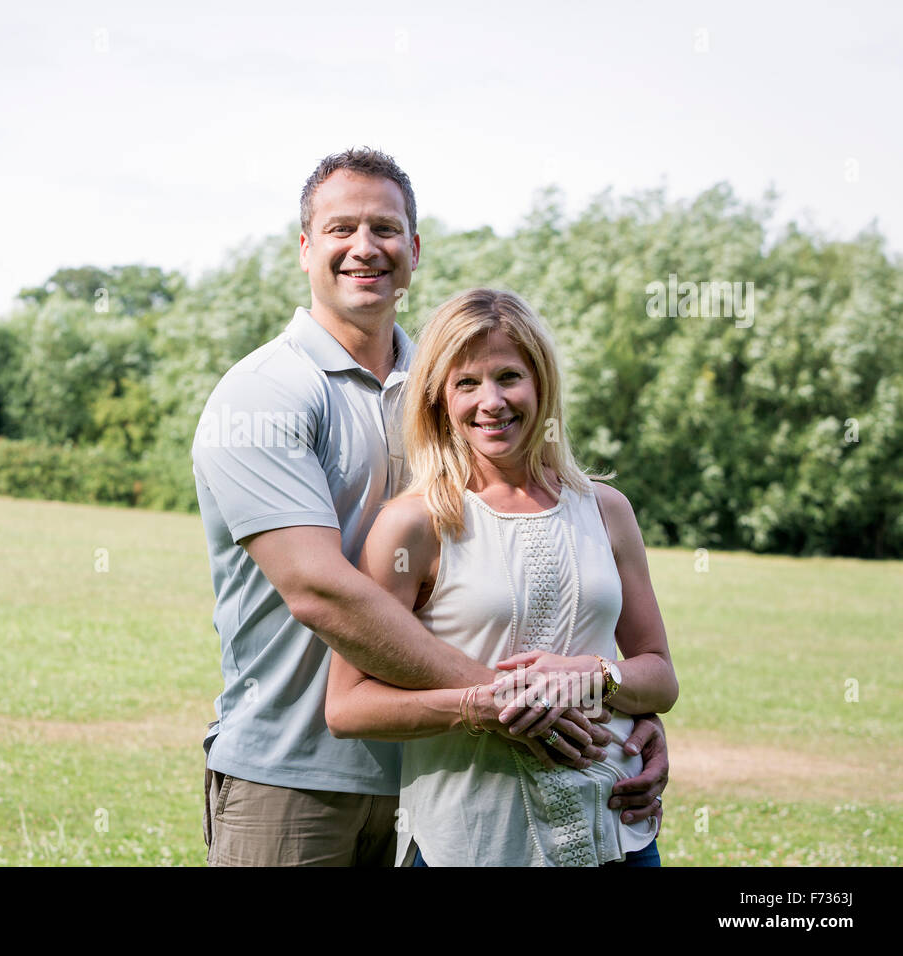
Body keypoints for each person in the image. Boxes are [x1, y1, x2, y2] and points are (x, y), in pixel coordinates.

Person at [191, 148, 669, 867]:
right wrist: (532, 705)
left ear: (413, 251)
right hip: (298, 774)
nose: (364, 247)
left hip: (437, 780)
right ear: (304, 248)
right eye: (340, 228)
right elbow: (321, 589)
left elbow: (562, 572)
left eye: (385, 228)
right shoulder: (266, 395)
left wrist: (619, 705)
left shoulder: (452, 381)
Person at [325, 287, 679, 866]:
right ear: (439, 398)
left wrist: (594, 675)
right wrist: (480, 707)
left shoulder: (606, 510)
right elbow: (348, 707)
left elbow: (660, 677)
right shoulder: (414, 525)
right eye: (466, 383)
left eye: (509, 376)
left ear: (541, 384)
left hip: (618, 835)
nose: (491, 401)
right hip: (473, 843)